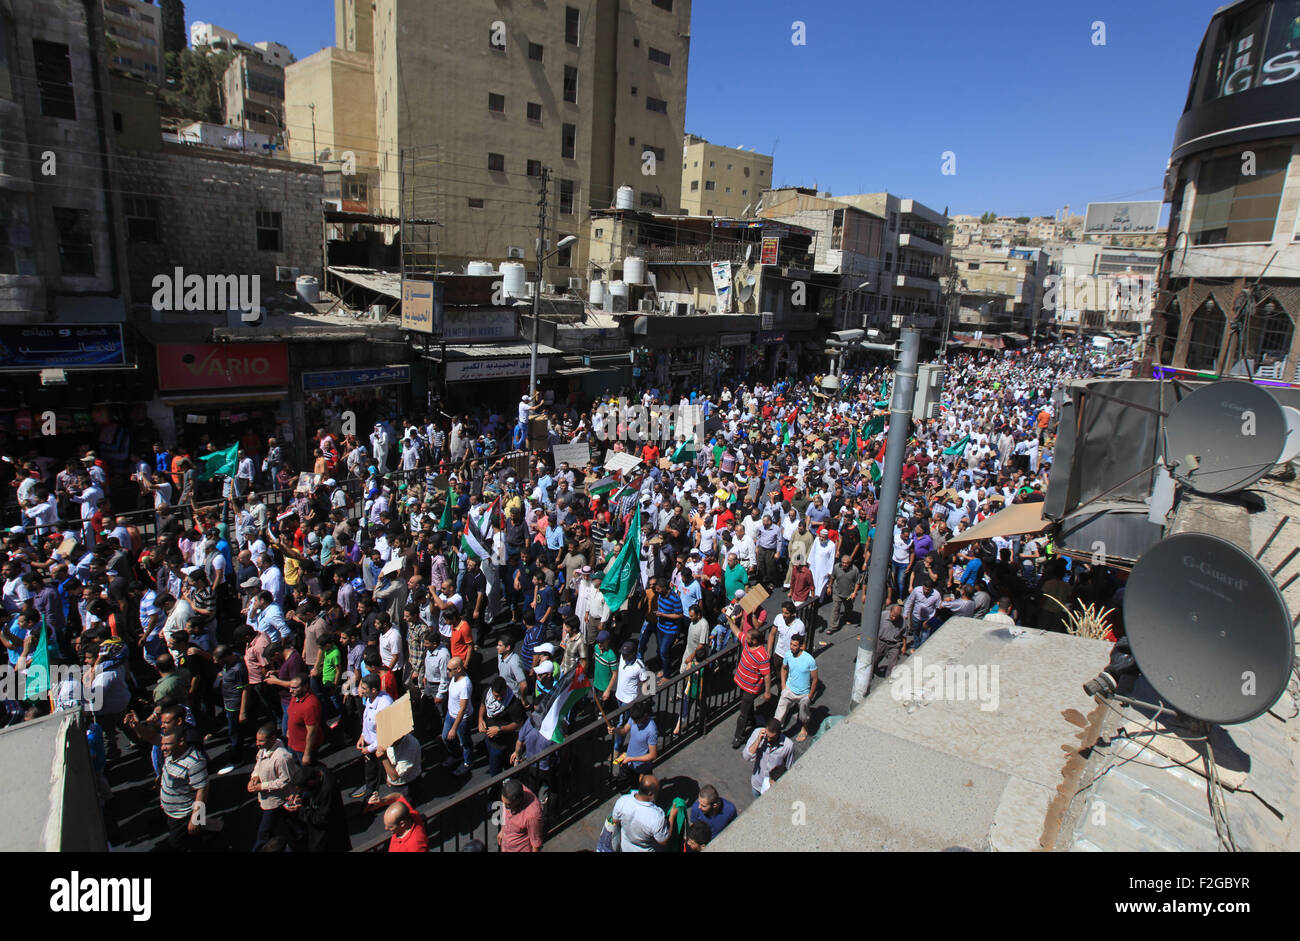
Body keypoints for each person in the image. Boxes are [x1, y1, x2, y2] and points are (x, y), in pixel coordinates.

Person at [248, 722, 300, 851]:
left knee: (264, 832)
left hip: (277, 800)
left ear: (272, 739)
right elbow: (258, 764)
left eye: (260, 741)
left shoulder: (282, 758)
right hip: (274, 799)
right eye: (257, 740)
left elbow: (285, 781)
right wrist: (254, 777)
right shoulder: (264, 749)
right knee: (293, 824)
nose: (257, 744)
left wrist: (262, 786)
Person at [158, 729, 210, 852]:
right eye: (162, 744)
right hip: (172, 813)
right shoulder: (171, 755)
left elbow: (203, 790)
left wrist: (197, 819)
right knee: (191, 843)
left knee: (178, 845)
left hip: (184, 815)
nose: (162, 748)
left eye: (167, 744)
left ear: (181, 741)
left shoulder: (195, 762)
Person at [286, 763, 352, 852]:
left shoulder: (327, 791)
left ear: (311, 782)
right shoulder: (318, 772)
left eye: (303, 789)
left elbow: (321, 819)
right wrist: (299, 796)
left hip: (330, 834)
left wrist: (300, 810)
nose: (302, 791)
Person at [352, 673, 394, 802]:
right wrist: (362, 735)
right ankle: (371, 794)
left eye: (364, 688)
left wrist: (369, 748)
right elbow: (367, 719)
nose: (361, 691)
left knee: (390, 774)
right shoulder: (370, 698)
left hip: (380, 747)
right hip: (370, 745)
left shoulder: (384, 705)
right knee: (371, 772)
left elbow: (386, 733)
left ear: (374, 690)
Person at [730, 627, 772, 750]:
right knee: (748, 705)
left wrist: (767, 692)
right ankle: (752, 719)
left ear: (755, 641)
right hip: (743, 683)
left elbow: (766, 675)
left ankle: (738, 736)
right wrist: (729, 619)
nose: (746, 638)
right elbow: (737, 632)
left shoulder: (762, 655)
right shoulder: (747, 644)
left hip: (751, 687)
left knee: (743, 712)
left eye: (748, 638)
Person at [774, 633, 818, 742]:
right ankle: (775, 733)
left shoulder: (809, 660)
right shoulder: (788, 655)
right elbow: (784, 668)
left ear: (801, 646)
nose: (792, 647)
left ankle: (804, 728)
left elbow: (815, 679)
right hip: (789, 690)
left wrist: (809, 696)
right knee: (779, 715)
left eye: (794, 645)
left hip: (803, 694)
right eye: (791, 644)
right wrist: (784, 687)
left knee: (804, 716)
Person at [609, 773, 669, 852]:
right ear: (650, 794)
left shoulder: (622, 801)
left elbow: (615, 820)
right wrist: (671, 817)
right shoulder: (657, 817)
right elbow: (663, 841)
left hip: (626, 848)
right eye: (657, 790)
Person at [744, 718, 796, 799]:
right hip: (757, 784)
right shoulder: (758, 732)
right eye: (767, 736)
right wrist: (758, 740)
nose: (768, 739)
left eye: (772, 738)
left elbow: (789, 768)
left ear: (779, 734)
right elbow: (746, 756)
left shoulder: (788, 746)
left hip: (772, 788)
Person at [442, 655, 473, 776]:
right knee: (446, 737)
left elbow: (462, 709)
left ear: (458, 669)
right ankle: (456, 755)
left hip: (461, 719)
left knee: (465, 743)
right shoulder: (454, 678)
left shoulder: (464, 685)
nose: (447, 671)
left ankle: (467, 762)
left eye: (450, 669)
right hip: (451, 714)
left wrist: (454, 728)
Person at [498, 778, 543, 853]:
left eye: (508, 805)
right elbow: (505, 811)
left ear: (518, 801)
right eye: (503, 802)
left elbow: (536, 844)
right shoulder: (510, 791)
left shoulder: (532, 814)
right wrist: (502, 830)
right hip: (506, 847)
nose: (505, 806)